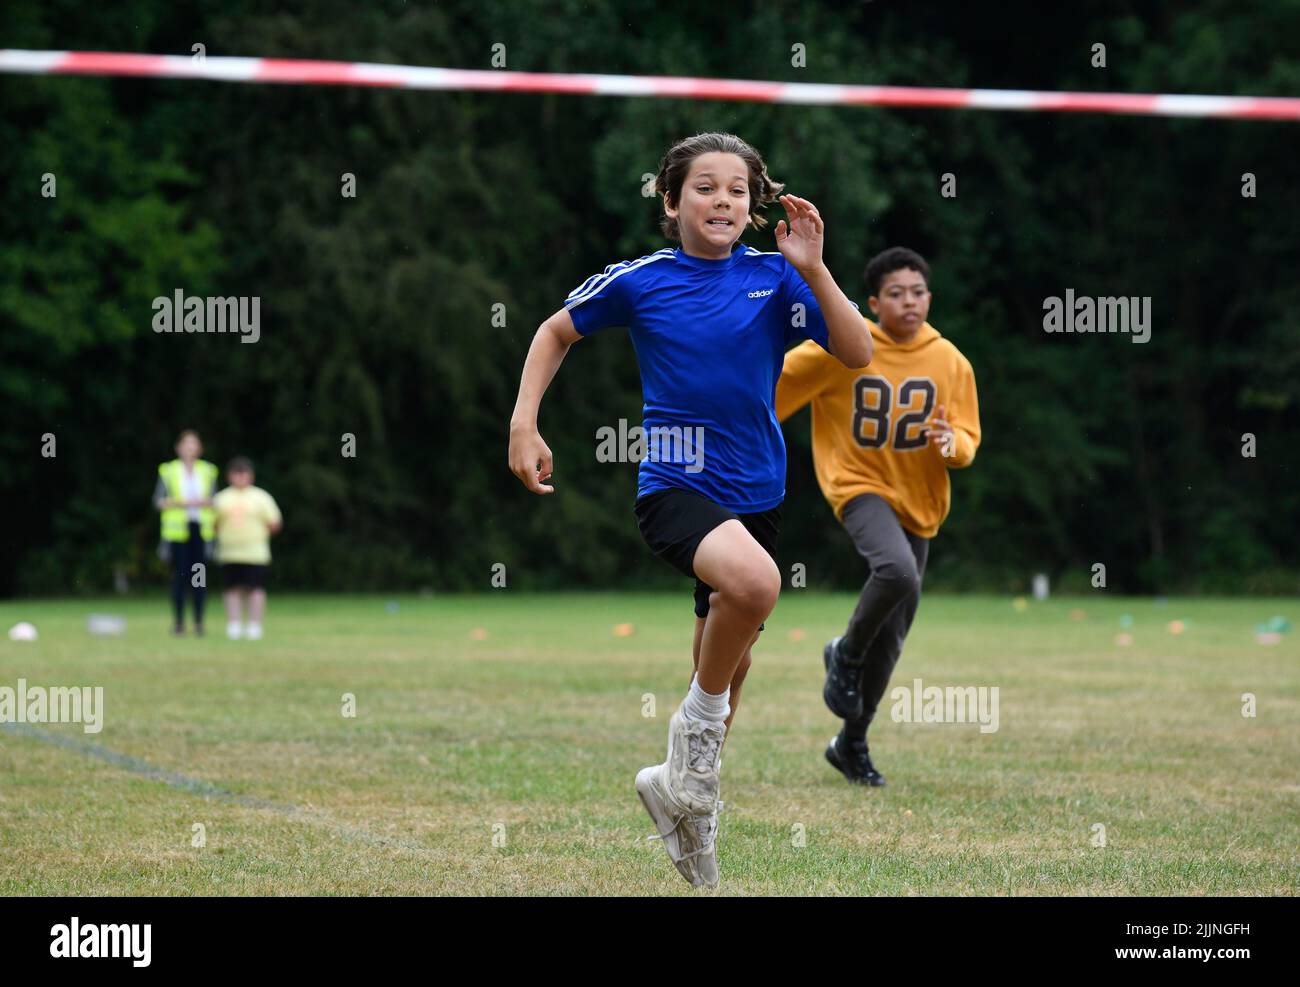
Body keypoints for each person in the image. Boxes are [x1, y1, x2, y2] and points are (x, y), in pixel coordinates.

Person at [508, 133, 871, 887]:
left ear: (754, 205)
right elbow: (553, 331)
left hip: (759, 491)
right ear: (671, 203)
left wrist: (816, 269)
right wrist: (524, 421)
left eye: (737, 190)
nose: (723, 202)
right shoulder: (643, 280)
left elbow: (857, 350)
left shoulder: (777, 279)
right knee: (758, 585)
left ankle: (687, 813)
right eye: (705, 188)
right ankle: (688, 747)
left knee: (730, 666)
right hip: (675, 487)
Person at [775, 246, 981, 785]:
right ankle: (843, 653)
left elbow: (967, 438)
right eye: (895, 293)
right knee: (895, 571)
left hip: (921, 503)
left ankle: (852, 742)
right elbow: (768, 392)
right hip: (859, 486)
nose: (908, 301)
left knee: (891, 639)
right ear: (873, 303)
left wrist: (950, 443)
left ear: (929, 298)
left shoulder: (951, 361)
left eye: (917, 292)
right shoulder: (844, 347)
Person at [154, 429, 218, 636]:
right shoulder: (168, 470)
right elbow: (158, 501)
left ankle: (199, 622)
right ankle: (179, 622)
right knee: (180, 577)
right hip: (178, 532)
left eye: (194, 443)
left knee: (198, 578)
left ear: (199, 448)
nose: (190, 447)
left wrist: (205, 502)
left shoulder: (208, 470)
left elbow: (215, 500)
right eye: (186, 443)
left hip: (200, 530)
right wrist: (179, 502)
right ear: (178, 447)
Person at [212, 456, 283, 641]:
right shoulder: (221, 498)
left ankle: (254, 626)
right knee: (231, 589)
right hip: (229, 552)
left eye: (244, 474)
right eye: (237, 474)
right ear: (230, 476)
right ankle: (234, 625)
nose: (240, 478)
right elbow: (213, 524)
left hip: (255, 553)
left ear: (251, 476)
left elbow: (274, 522)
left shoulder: (261, 497)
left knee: (256, 589)